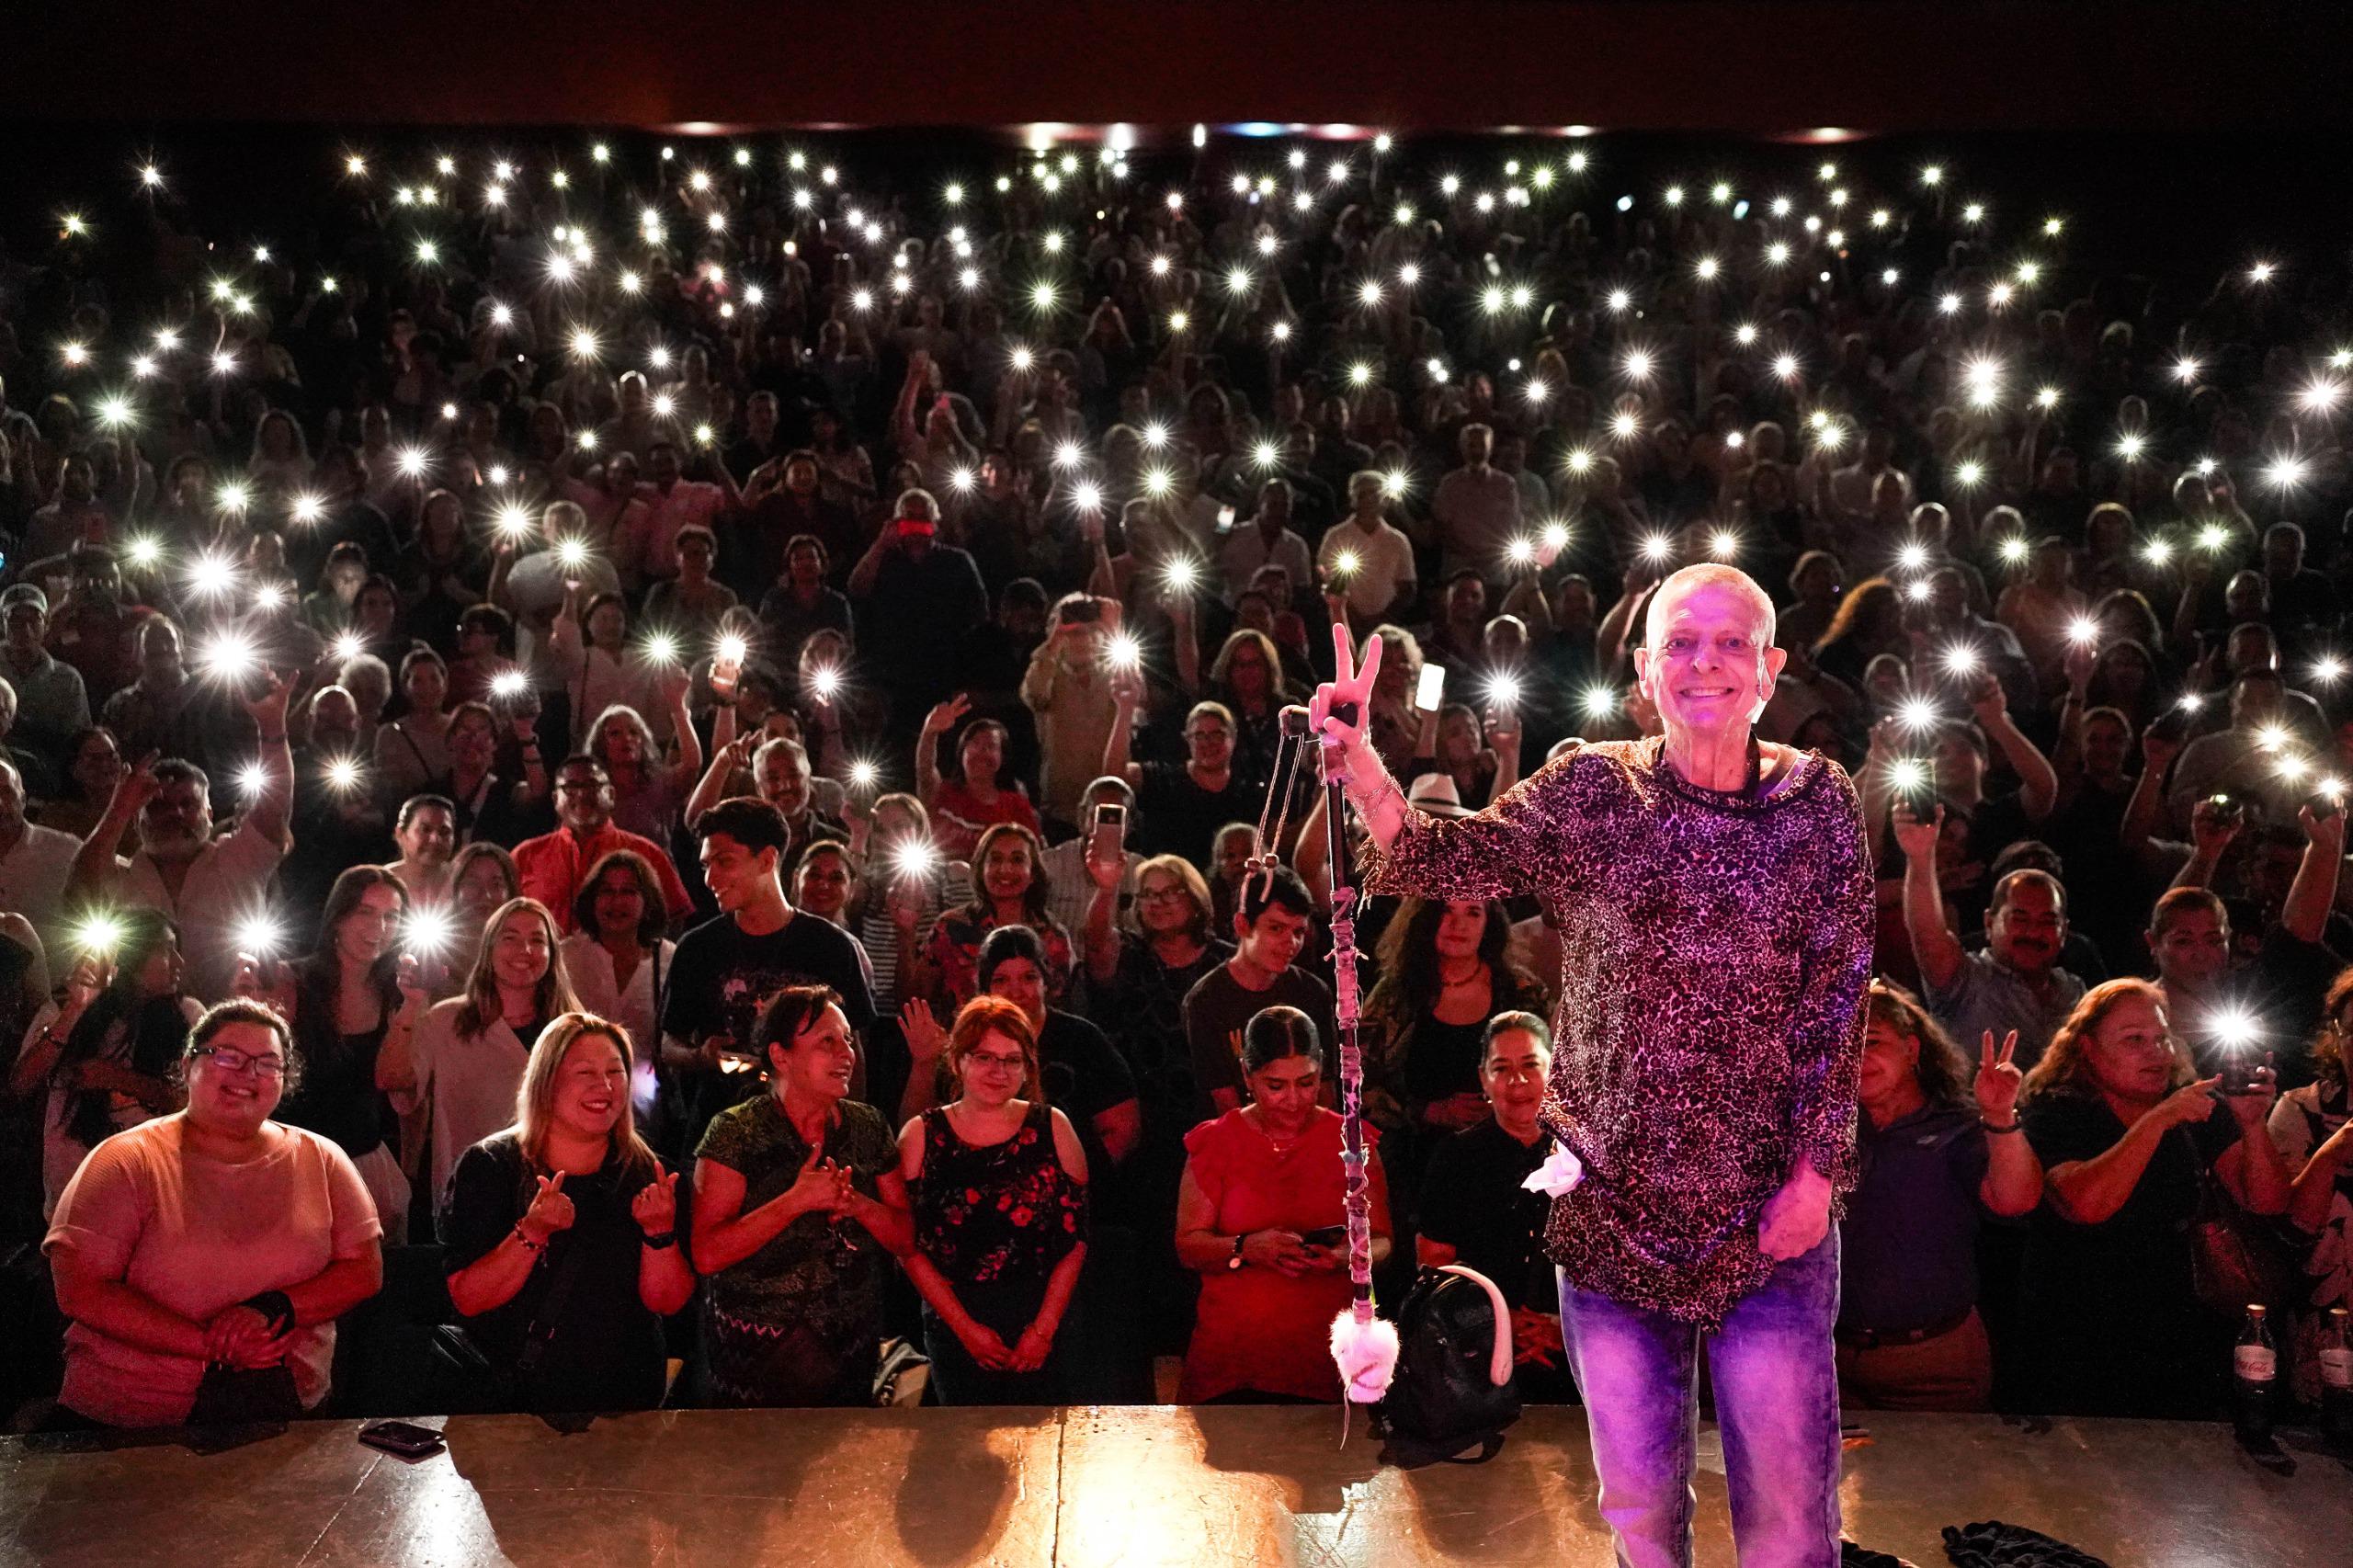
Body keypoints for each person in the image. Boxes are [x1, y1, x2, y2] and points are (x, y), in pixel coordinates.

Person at [1313, 563, 1871, 1565]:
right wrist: (1361, 764)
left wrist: (1815, 1173)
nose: (1705, 661)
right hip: (1614, 1209)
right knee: (1640, 1516)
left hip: (1770, 1217)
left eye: (1730, 641)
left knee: (1790, 1519)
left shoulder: (1818, 801)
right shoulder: (1594, 790)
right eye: (1680, 644)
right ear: (1646, 669)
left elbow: (1839, 995)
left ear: (1771, 667)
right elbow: (1452, 857)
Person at [41, 1000, 383, 1429]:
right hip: (133, 1422)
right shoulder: (126, 1160)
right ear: (187, 1066)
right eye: (227, 1056)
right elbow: (81, 1289)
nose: (247, 1074)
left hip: (288, 1413)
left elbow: (364, 1270)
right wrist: (212, 1344)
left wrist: (273, 1309)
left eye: (267, 1063)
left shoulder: (321, 1157)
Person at [2017, 977, 2294, 1417]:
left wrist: (2253, 1125)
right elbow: (2084, 1204)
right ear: (2087, 1048)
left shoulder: (2195, 1106)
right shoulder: (2057, 1111)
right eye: (2134, 1040)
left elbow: (2269, 1202)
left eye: (2162, 1039)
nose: (2155, 1052)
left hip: (2183, 1332)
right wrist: (2157, 1119)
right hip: (2081, 1334)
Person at [440, 1012, 693, 1414]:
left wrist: (659, 1234)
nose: (605, 1086)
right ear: (546, 1081)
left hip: (625, 1403)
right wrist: (532, 1232)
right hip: (514, 1404)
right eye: (585, 1073)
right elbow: (469, 1299)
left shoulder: (649, 1173)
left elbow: (668, 1303)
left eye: (616, 1071)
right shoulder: (489, 1166)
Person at [691, 984, 913, 1406]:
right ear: (781, 1056)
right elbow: (707, 1253)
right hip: (752, 1361)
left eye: (847, 1040)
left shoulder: (868, 1127)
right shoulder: (734, 1132)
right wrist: (795, 1200)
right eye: (826, 1042)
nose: (846, 1053)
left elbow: (904, 1239)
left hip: (850, 1352)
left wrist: (857, 1204)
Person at [1836, 983, 2045, 1412]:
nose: (1855, 1057)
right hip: (1832, 1362)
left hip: (1936, 1365)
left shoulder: (1957, 1127)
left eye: (1871, 1041)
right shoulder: (1824, 1133)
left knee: (1939, 1481)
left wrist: (2001, 1116)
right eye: (1841, 1044)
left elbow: (2016, 1201)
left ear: (1912, 1050)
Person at [1174, 1006, 1392, 1402]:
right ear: (1246, 1076)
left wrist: (1347, 1256)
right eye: (1276, 1086)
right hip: (1233, 1360)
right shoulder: (1216, 1143)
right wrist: (1246, 1247)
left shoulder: (1352, 1142)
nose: (1293, 1100)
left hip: (1327, 1354)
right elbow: (1189, 1246)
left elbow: (1384, 1241)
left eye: (1306, 1083)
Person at [898, 994, 1091, 1404]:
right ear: (958, 1060)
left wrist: (1042, 1330)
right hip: (955, 1319)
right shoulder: (920, 1135)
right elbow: (908, 1247)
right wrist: (966, 1331)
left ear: (1027, 1068)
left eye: (1011, 1060)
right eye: (984, 1057)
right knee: (965, 1453)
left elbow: (1075, 1239)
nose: (998, 1071)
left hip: (1043, 1314)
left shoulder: (1053, 1126)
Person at [659, 798, 877, 1155]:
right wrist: (702, 1056)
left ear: (767, 859)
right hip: (718, 1134)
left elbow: (857, 1053)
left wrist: (851, 1136)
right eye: (705, 865)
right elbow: (669, 1045)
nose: (710, 879)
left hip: (809, 1136)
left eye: (724, 861)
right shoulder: (697, 947)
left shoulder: (830, 946)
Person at [66, 676, 294, 1002]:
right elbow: (80, 887)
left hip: (230, 1024)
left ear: (210, 814)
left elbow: (274, 812)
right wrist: (118, 810)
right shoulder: (122, 877)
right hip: (142, 1033)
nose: (174, 814)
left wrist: (273, 731)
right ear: (138, 818)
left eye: (188, 804)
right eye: (158, 806)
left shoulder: (238, 859)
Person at [378, 897, 581, 1213]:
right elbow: (392, 1079)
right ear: (488, 950)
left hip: (560, 1188)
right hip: (473, 1194)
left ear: (552, 954)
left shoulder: (573, 1027)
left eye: (537, 940)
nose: (524, 950)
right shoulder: (448, 1021)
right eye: (510, 938)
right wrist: (412, 1005)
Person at [1416, 1013, 1573, 1403]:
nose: (1517, 1082)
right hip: (1477, 1350)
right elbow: (1433, 1265)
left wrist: (1563, 1325)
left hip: (1574, 1346)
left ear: (1555, 1069)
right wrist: (1499, 1321)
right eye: (1502, 1068)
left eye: (1530, 1066)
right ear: (1484, 1079)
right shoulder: (1455, 1158)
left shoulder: (1582, 1155)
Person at [264, 867, 416, 1244]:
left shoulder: (397, 991)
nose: (378, 926)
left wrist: (416, 1006)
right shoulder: (291, 981)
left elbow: (394, 1083)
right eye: (365, 912)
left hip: (366, 1162)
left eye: (391, 916)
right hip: (294, 1163)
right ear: (338, 917)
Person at [12, 909, 198, 1218]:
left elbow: (198, 1106)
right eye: (167, 949)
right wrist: (74, 1011)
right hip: (73, 1201)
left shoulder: (186, 1015)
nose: (178, 962)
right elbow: (20, 1086)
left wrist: (118, 1078)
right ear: (131, 956)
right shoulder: (61, 1010)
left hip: (153, 1203)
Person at [1894, 802, 2086, 1070]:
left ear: (2064, 931)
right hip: (1974, 1111)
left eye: (2046, 921)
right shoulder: (1963, 981)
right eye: (2019, 919)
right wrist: (1920, 857)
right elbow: (1926, 931)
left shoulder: (2074, 992)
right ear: (1989, 922)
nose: (2032, 932)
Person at [1182, 865, 1334, 1119]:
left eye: (1298, 931)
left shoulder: (1312, 992)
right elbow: (1226, 1106)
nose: (1292, 942)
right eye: (1276, 928)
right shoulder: (1207, 1001)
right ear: (1242, 925)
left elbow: (1325, 1090)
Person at [2270, 971, 2353, 1405]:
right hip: (2323, 1320)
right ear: (2337, 1039)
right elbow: (2283, 1235)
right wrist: (2330, 1157)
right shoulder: (2303, 1110)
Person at [512, 755, 693, 934]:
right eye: (571, 787)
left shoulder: (645, 852)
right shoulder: (526, 855)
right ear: (555, 800)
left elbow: (675, 918)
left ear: (611, 795)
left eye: (592, 785)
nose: (582, 794)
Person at [918, 821, 1074, 1008]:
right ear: (981, 869)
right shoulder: (950, 927)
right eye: (995, 859)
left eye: (1017, 860)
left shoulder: (1052, 937)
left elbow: (1059, 1007)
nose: (1005, 869)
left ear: (1033, 873)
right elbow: (915, 997)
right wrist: (906, 929)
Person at [560, 850, 675, 1103]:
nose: (617, 901)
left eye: (629, 892)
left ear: (648, 903)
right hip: (574, 1096)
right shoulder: (566, 957)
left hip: (646, 1107)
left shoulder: (669, 959)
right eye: (607, 891)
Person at [917, 697, 1042, 862]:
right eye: (974, 744)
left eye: (990, 746)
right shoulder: (943, 793)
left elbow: (1033, 859)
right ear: (962, 752)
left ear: (1002, 758)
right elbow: (924, 771)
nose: (981, 752)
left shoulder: (1016, 807)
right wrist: (930, 732)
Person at [382, 793, 459, 909]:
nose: (435, 840)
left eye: (444, 832)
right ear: (401, 834)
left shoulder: (463, 880)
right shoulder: (381, 882)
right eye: (425, 830)